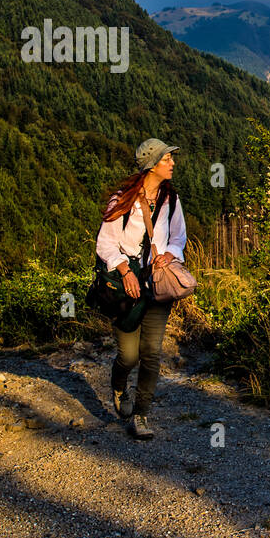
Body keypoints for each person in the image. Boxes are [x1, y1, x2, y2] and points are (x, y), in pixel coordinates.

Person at [94, 138, 188, 440]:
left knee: (151, 352)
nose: (172, 163)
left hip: (157, 285)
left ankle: (141, 415)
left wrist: (169, 255)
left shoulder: (172, 200)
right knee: (129, 356)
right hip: (126, 287)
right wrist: (124, 270)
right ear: (152, 164)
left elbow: (179, 238)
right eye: (166, 159)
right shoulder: (122, 201)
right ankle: (119, 385)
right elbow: (105, 244)